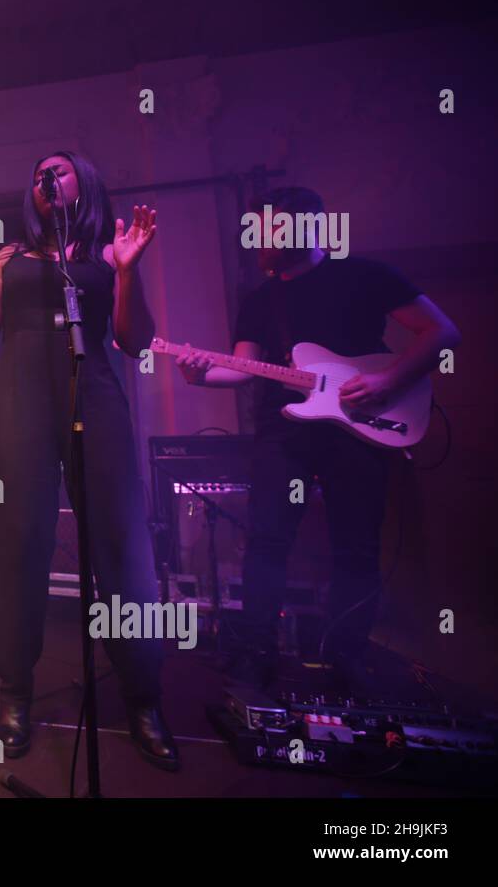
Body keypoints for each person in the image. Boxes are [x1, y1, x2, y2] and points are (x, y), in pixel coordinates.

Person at [0, 150, 178, 770]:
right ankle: (15, 695)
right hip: (20, 401)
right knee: (20, 544)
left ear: (84, 184)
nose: (47, 177)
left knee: (123, 549)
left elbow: (132, 340)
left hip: (94, 394)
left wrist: (128, 273)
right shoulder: (9, 259)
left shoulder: (108, 254)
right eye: (39, 174)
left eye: (61, 168)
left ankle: (143, 698)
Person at [175, 186, 460, 691]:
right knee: (266, 540)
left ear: (309, 227)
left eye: (271, 228)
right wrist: (200, 375)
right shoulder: (261, 298)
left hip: (361, 428)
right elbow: (242, 369)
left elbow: (441, 333)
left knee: (356, 546)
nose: (259, 237)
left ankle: (346, 657)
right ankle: (256, 651)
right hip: (282, 433)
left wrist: (389, 379)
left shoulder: (365, 275)